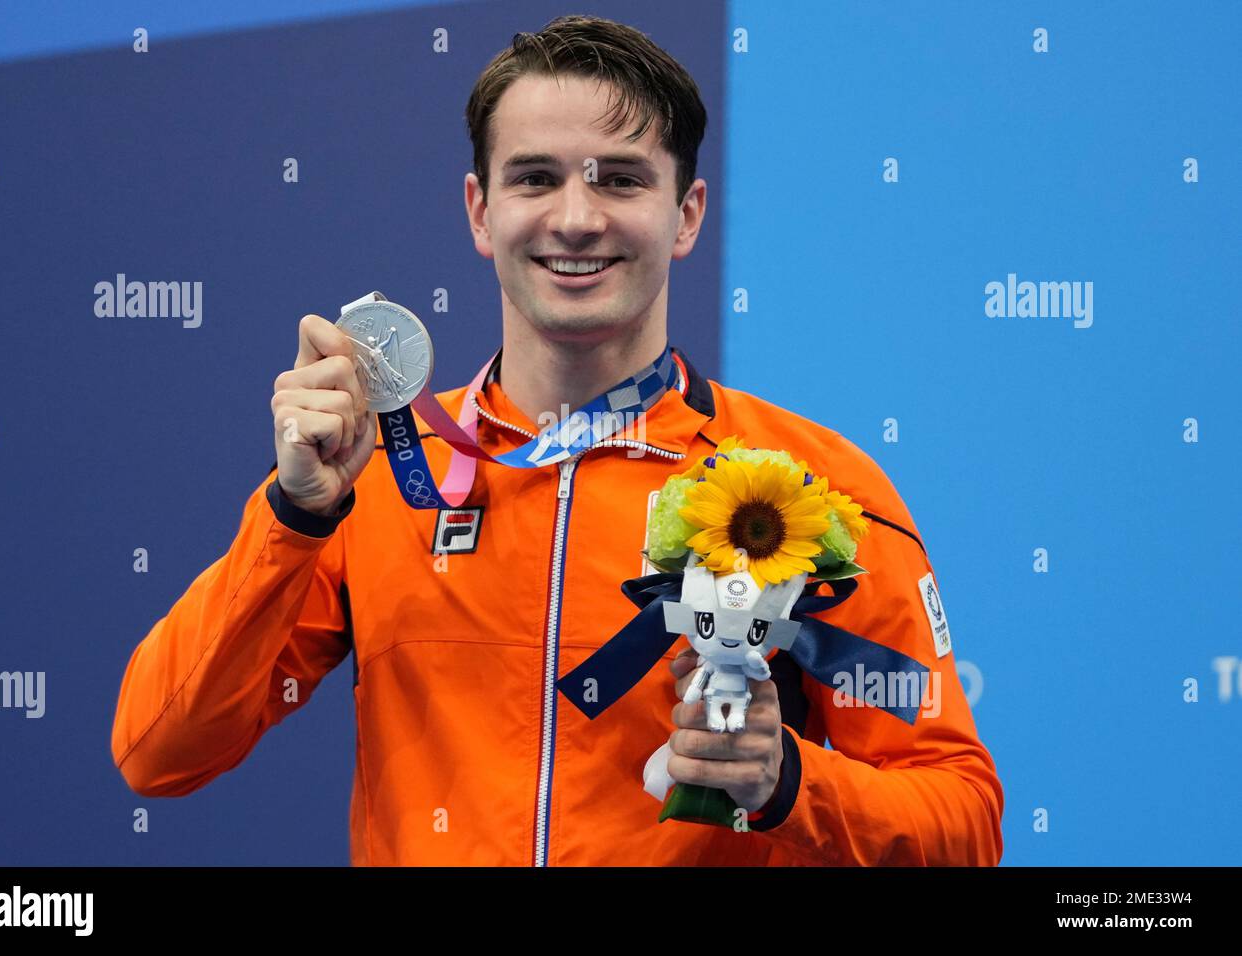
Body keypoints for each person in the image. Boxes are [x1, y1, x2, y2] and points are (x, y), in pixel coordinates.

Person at [111, 14, 1004, 866]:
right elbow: (160, 751)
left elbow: (962, 819)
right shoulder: (381, 475)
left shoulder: (806, 492)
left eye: (621, 178)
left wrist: (789, 786)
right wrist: (296, 514)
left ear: (687, 214)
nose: (576, 218)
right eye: (535, 177)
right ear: (479, 209)